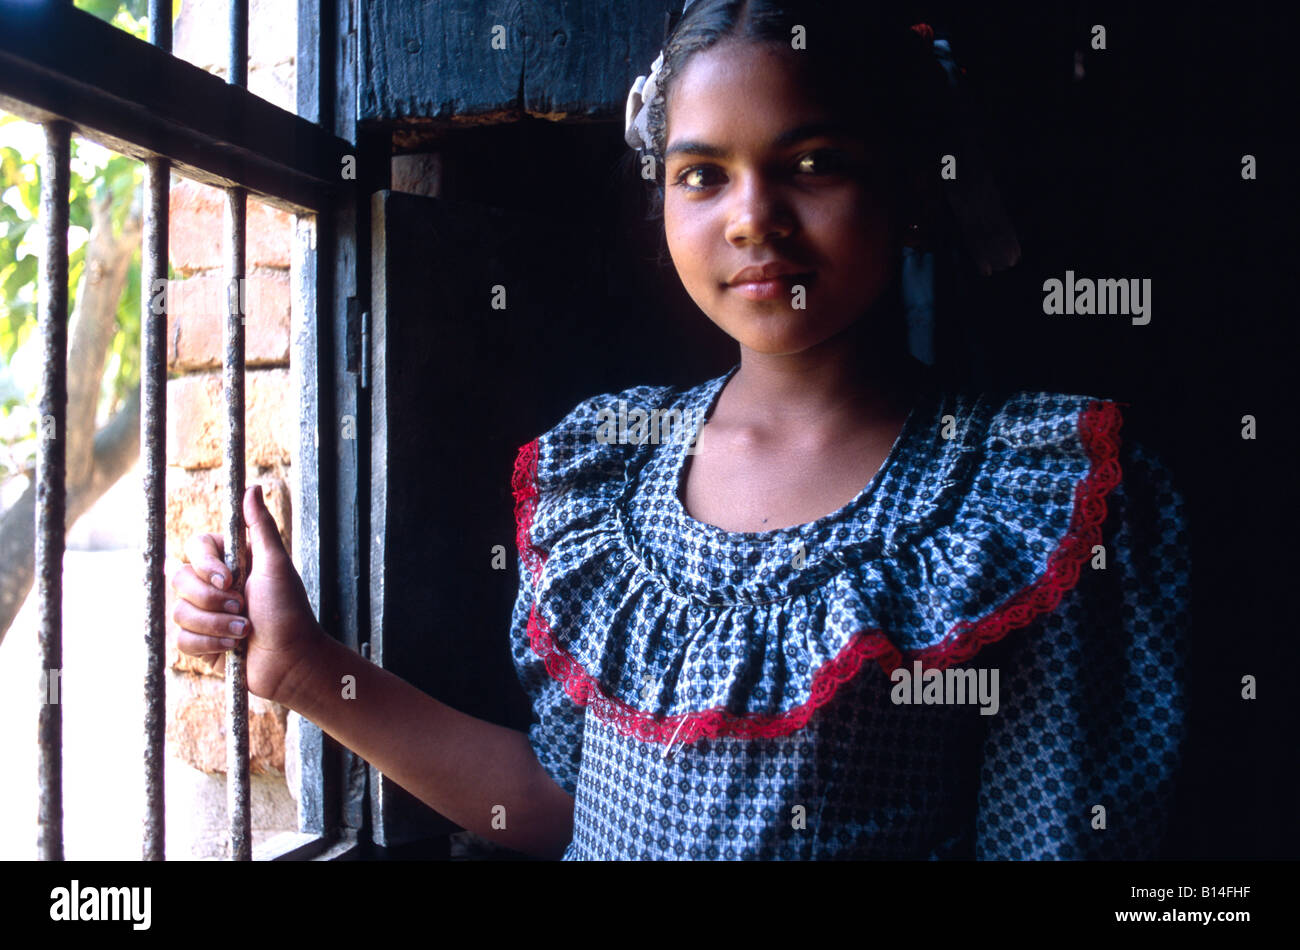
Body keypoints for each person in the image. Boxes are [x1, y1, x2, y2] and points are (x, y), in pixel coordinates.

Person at [170, 0, 1189, 860]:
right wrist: (302, 667)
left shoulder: (1033, 503)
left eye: (815, 160)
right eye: (703, 175)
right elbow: (558, 803)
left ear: (912, 181)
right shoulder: (606, 472)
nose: (754, 216)